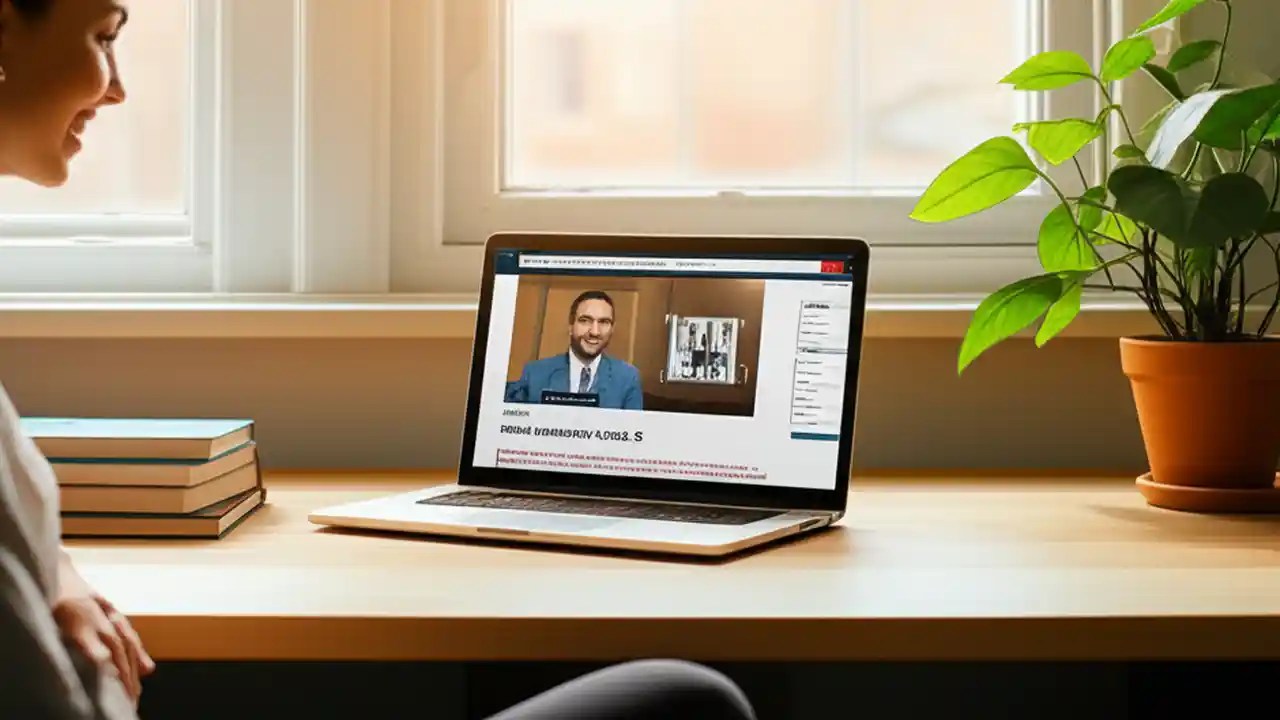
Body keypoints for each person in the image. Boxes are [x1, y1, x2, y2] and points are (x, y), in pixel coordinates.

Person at [0, 2, 752, 719]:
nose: (120, 85)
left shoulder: (626, 384)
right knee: (692, 699)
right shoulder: (538, 381)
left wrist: (53, 578)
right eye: (103, 36)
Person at [505, 290, 644, 410]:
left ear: (612, 329)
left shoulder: (628, 377)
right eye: (585, 320)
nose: (595, 332)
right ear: (571, 326)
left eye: (604, 322)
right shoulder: (535, 373)